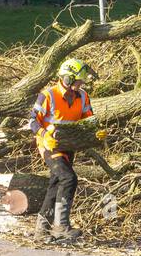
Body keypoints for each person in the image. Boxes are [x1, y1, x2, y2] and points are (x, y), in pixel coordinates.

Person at [28, 59, 96, 242]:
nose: (82, 84)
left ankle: (41, 231)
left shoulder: (83, 97)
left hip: (69, 146)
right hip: (50, 146)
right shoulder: (48, 95)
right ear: (68, 78)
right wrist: (43, 134)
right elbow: (32, 121)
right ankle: (61, 227)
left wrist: (96, 132)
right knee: (68, 178)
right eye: (79, 81)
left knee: (56, 184)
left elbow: (89, 120)